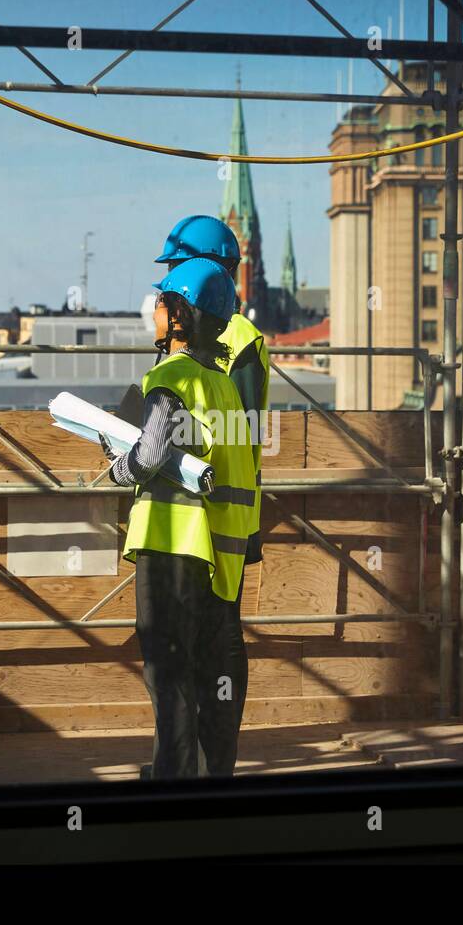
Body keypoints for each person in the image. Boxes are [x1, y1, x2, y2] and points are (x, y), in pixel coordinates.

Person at [102, 258, 255, 779]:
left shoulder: (170, 375)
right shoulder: (226, 386)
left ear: (182, 316)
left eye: (163, 303)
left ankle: (172, 785)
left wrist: (118, 467)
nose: (155, 313)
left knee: (168, 673)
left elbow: (149, 454)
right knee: (208, 674)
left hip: (172, 546)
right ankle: (210, 782)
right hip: (217, 555)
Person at [152, 216, 270, 775]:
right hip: (204, 520)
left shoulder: (235, 340)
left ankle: (208, 767)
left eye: (177, 267)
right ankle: (188, 766)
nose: (173, 278)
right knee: (193, 653)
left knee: (211, 654)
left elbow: (241, 441)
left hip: (215, 522)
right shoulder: (200, 335)